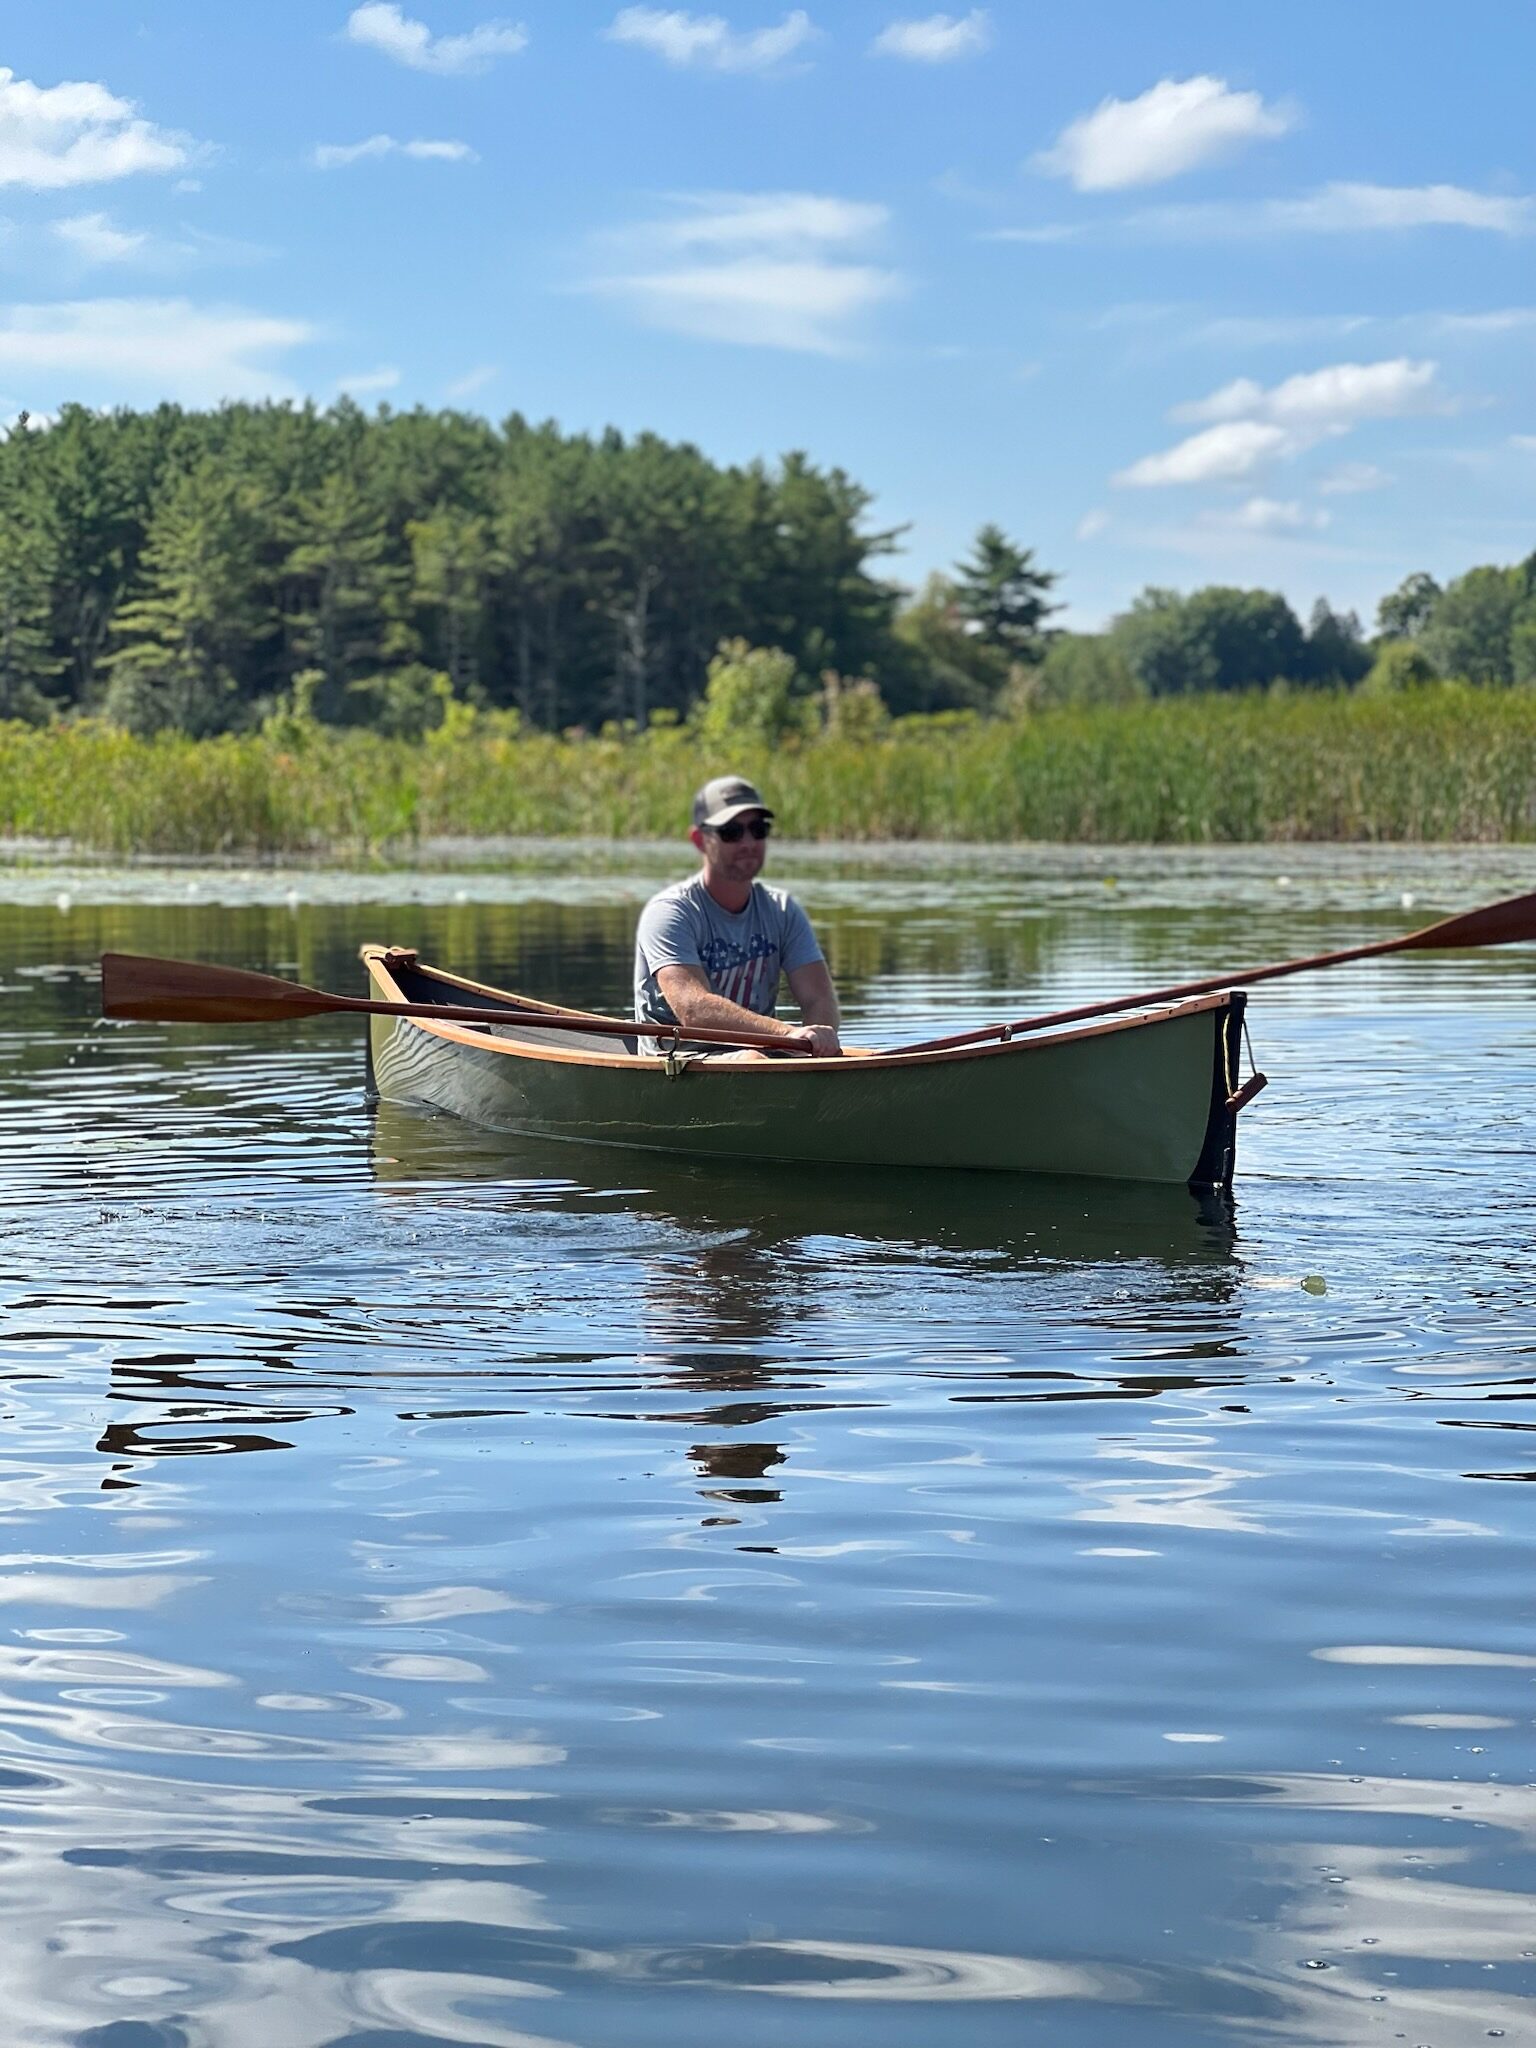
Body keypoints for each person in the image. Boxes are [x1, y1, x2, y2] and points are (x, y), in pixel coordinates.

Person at [633, 775, 842, 1058]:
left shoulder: (783, 911)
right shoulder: (670, 912)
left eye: (758, 829)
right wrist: (786, 1033)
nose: (748, 842)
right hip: (681, 1058)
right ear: (700, 840)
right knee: (755, 1059)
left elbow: (818, 997)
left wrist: (819, 1042)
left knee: (762, 1058)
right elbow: (694, 1009)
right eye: (731, 832)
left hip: (762, 1054)